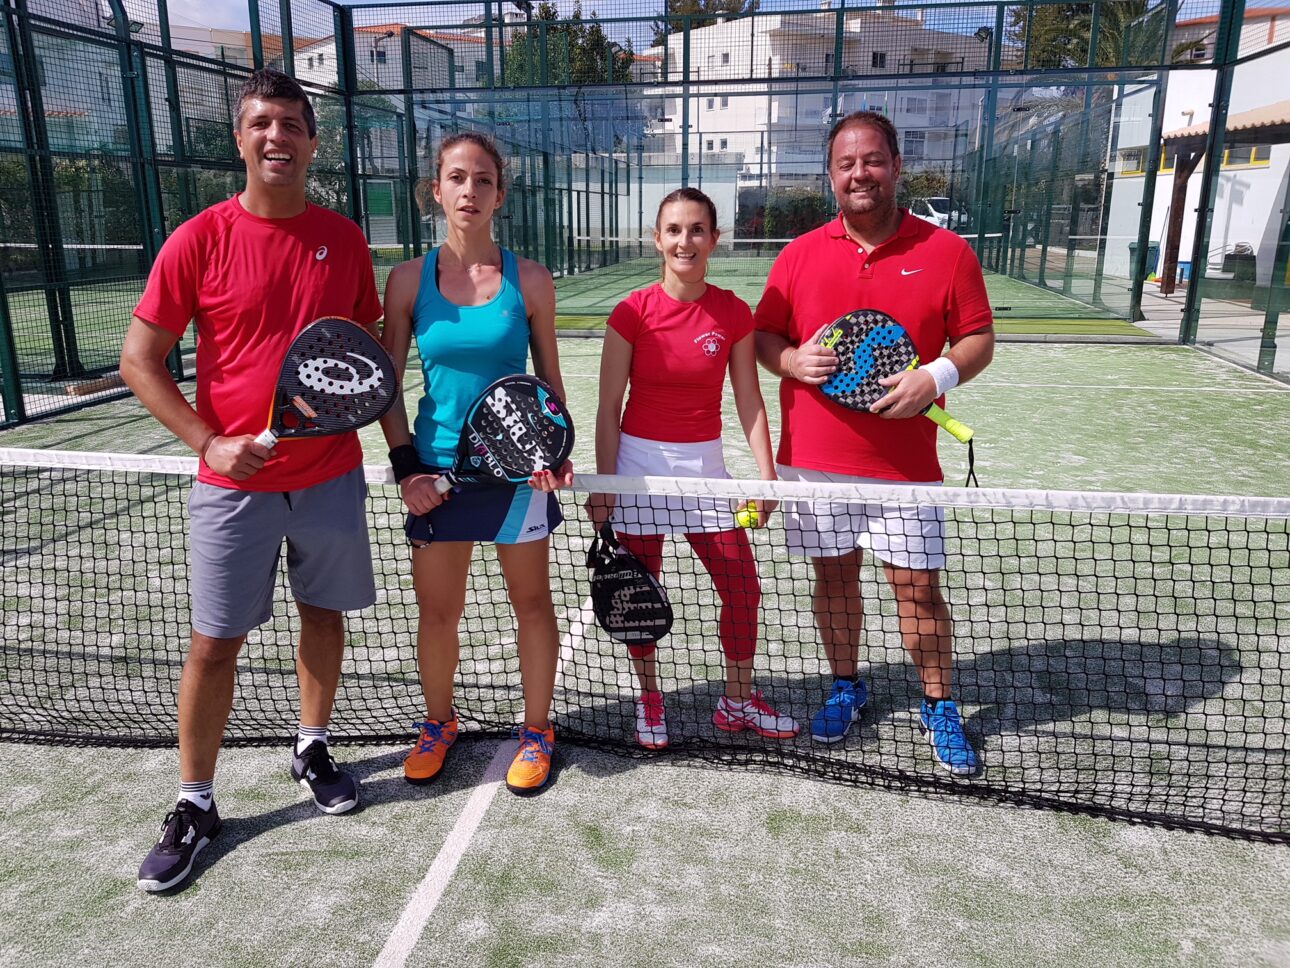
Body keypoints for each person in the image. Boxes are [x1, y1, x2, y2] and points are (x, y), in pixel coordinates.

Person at [120, 69, 383, 892]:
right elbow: (140, 360)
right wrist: (210, 441)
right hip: (232, 484)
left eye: (292, 125)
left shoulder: (342, 240)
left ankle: (311, 746)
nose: (278, 137)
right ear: (240, 139)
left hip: (331, 475)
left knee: (324, 615)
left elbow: (362, 349)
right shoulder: (197, 239)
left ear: (312, 142)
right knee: (215, 642)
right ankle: (195, 802)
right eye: (262, 123)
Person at [753, 110, 995, 775]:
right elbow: (765, 337)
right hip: (813, 463)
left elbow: (977, 340)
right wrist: (791, 362)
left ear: (895, 164)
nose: (860, 173)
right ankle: (845, 686)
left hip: (906, 467)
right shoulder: (798, 254)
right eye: (846, 164)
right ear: (831, 175)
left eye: (873, 160)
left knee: (917, 589)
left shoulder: (947, 253)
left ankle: (939, 703)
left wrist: (935, 375)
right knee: (833, 580)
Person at [379, 132, 573, 796]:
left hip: (518, 475)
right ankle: (439, 724)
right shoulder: (406, 280)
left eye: (483, 179)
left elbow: (550, 384)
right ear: (436, 190)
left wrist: (555, 451)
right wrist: (408, 469)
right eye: (457, 178)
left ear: (499, 193)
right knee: (438, 612)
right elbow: (388, 389)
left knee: (531, 604)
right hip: (437, 476)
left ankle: (538, 731)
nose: (470, 190)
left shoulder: (533, 280)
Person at [587, 187, 798, 750]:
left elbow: (749, 400)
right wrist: (605, 484)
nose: (686, 241)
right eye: (674, 230)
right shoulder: (632, 310)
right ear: (657, 239)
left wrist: (765, 476)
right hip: (636, 468)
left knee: (743, 589)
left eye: (697, 229)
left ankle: (737, 701)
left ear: (714, 239)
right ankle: (650, 699)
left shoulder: (732, 311)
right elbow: (609, 406)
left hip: (704, 467)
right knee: (638, 594)